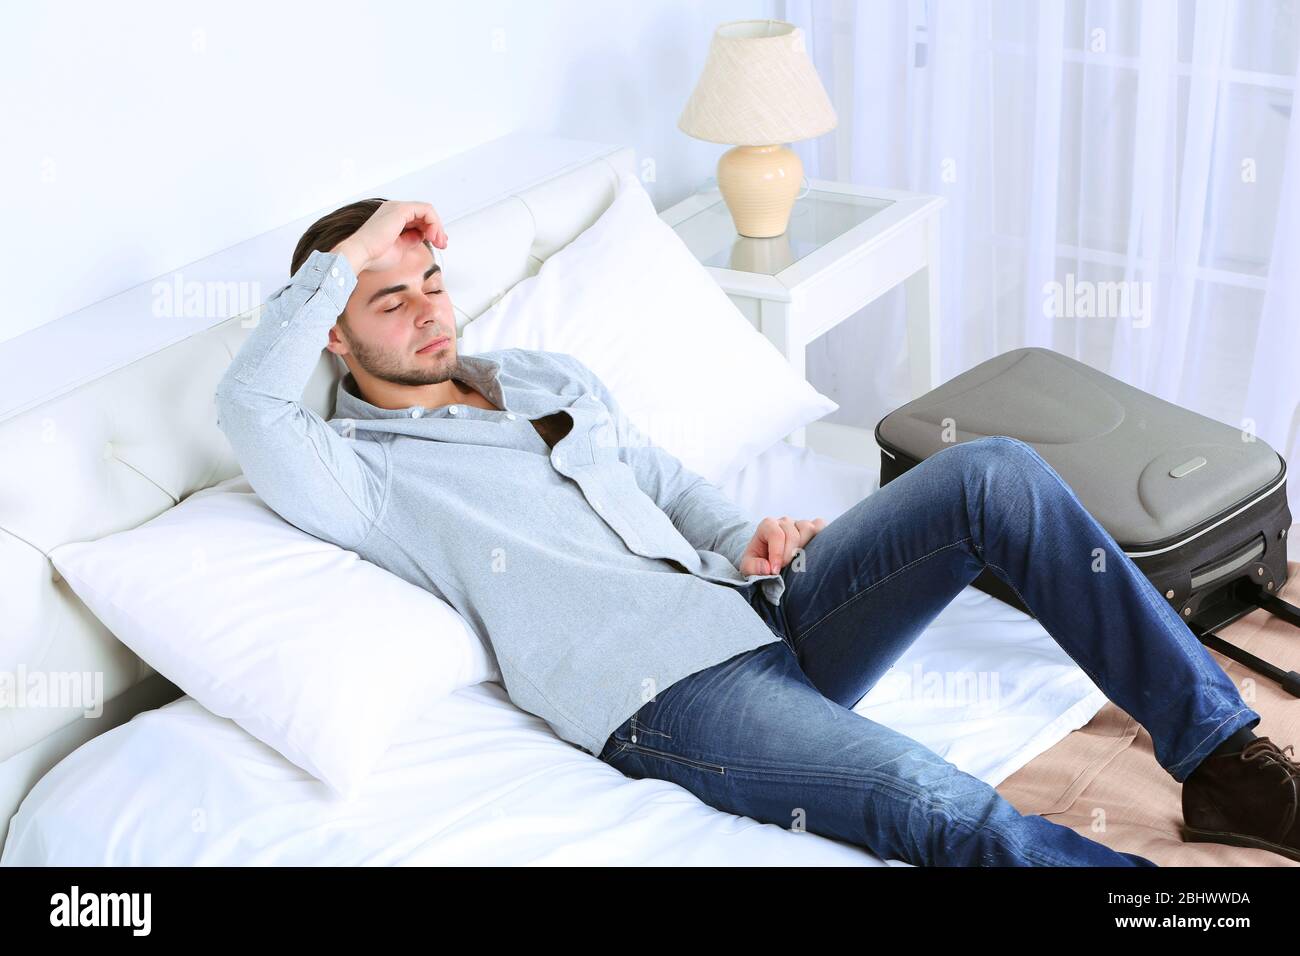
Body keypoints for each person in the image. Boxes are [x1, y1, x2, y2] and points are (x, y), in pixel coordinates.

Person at [215, 199, 1300, 866]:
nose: (426, 310)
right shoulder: (355, 473)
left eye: (431, 281)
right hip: (669, 697)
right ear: (334, 334)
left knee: (994, 473)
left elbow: (666, 483)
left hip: (762, 607)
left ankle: (1223, 759)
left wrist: (750, 535)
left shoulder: (538, 376)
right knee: (940, 805)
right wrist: (353, 243)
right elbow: (248, 405)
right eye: (385, 299)